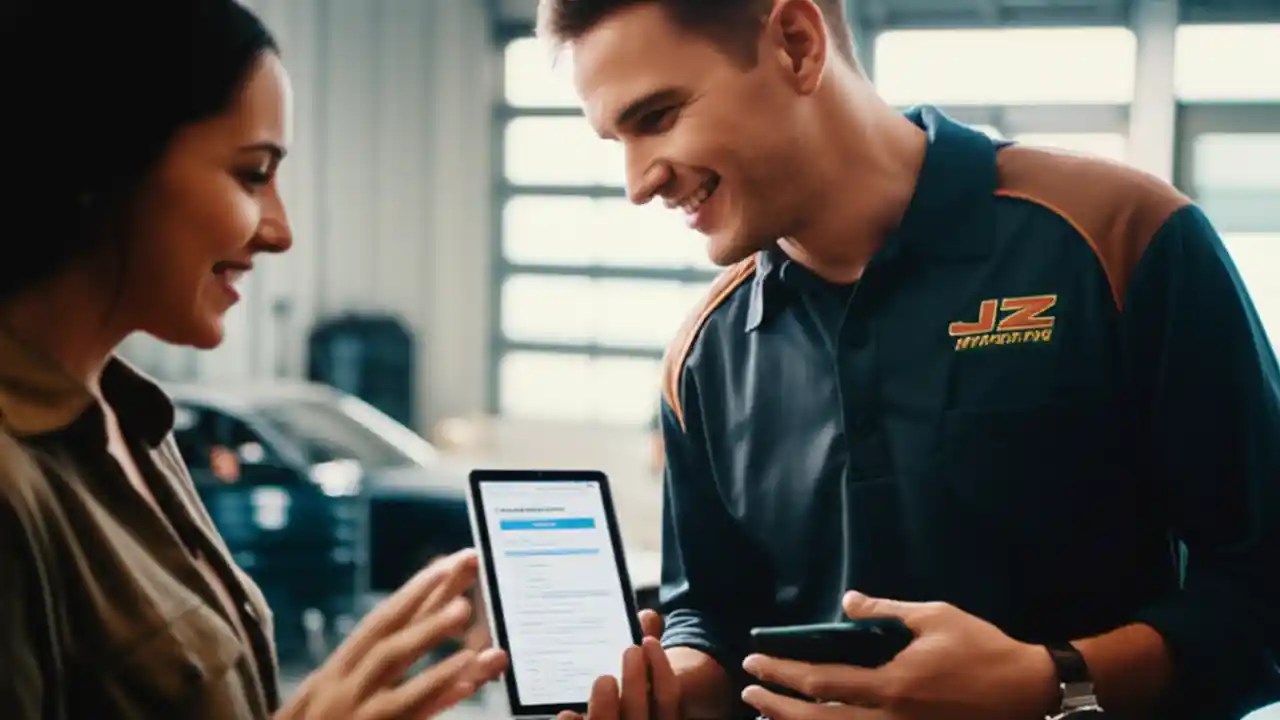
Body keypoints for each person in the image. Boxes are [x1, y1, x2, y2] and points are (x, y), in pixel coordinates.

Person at [535, 0, 1280, 718]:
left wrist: (1048, 685)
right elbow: (714, 620)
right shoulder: (702, 355)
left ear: (797, 43)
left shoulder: (1123, 238)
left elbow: (1263, 593)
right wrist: (679, 686)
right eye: (617, 142)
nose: (638, 183)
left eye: (657, 118)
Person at [0, 2, 506, 718]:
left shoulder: (132, 421)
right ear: (111, 160)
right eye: (251, 174)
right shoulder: (13, 479)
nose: (281, 231)